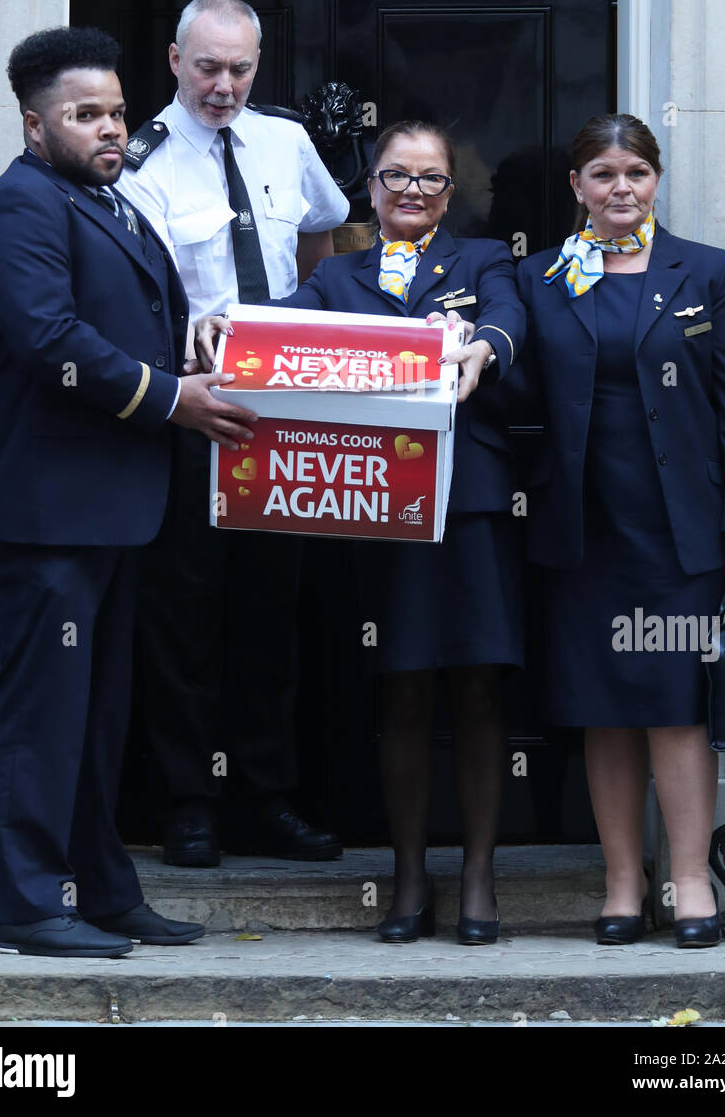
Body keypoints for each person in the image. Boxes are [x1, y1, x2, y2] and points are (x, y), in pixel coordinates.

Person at [196, 120, 526, 943]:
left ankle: (479, 876)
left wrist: (482, 347)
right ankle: (408, 875)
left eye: (430, 179)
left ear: (451, 192)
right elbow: (275, 337)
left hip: (475, 501)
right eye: (395, 177)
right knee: (403, 687)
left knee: (480, 684)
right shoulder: (336, 275)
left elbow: (510, 323)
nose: (412, 192)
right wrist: (218, 324)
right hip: (384, 509)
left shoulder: (483, 261)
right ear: (369, 189)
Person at [0, 27, 252, 956]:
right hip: (51, 509)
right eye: (85, 115)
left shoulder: (109, 201)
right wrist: (172, 398)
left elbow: (125, 320)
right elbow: (50, 341)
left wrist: (190, 344)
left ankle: (98, 889)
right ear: (34, 123)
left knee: (98, 713)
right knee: (44, 711)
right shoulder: (19, 204)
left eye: (118, 112)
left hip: (118, 506)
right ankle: (22, 906)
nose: (111, 130)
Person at [515, 114, 725, 949]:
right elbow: (517, 394)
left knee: (672, 705)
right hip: (582, 527)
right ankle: (622, 883)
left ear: (654, 180)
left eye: (634, 172)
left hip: (676, 532)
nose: (620, 188)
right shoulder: (541, 276)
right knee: (603, 707)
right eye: (601, 174)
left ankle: (689, 883)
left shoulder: (706, 271)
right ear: (575, 187)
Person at [118, 0, 349, 867]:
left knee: (273, 613)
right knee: (184, 617)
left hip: (284, 420)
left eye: (240, 69)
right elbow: (126, 287)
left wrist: (304, 338)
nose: (223, 86)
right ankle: (187, 805)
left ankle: (269, 798)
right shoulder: (137, 159)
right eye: (207, 67)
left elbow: (323, 245)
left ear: (258, 64)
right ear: (174, 59)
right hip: (193, 414)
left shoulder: (286, 142)